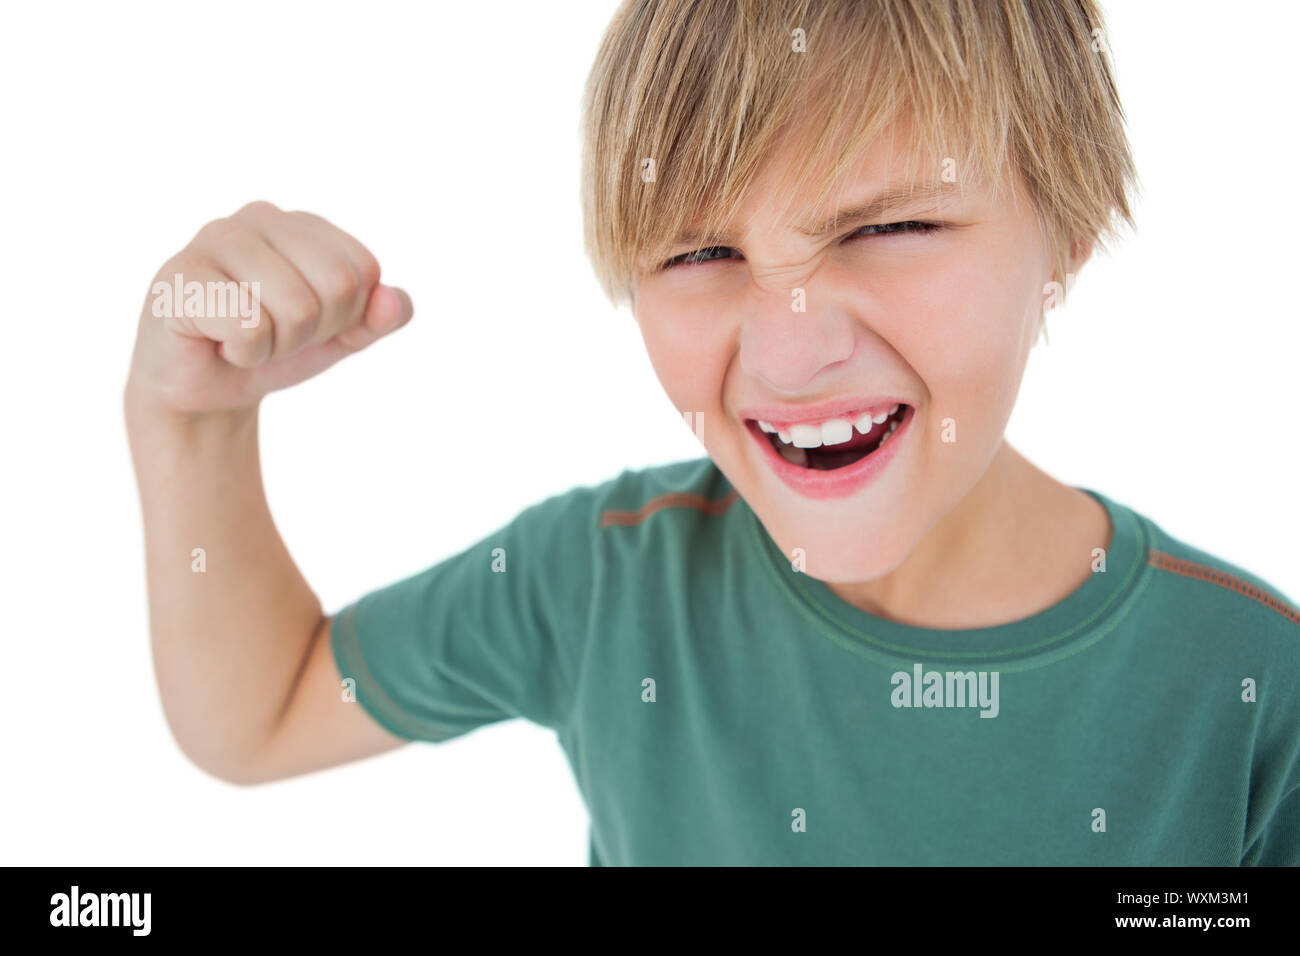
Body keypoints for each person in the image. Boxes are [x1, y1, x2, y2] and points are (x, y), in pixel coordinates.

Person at [124, 0, 1299, 865]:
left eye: (889, 226)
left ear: (1070, 232)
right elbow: (264, 708)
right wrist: (188, 421)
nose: (788, 354)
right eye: (699, 254)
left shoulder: (1254, 691)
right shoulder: (604, 579)